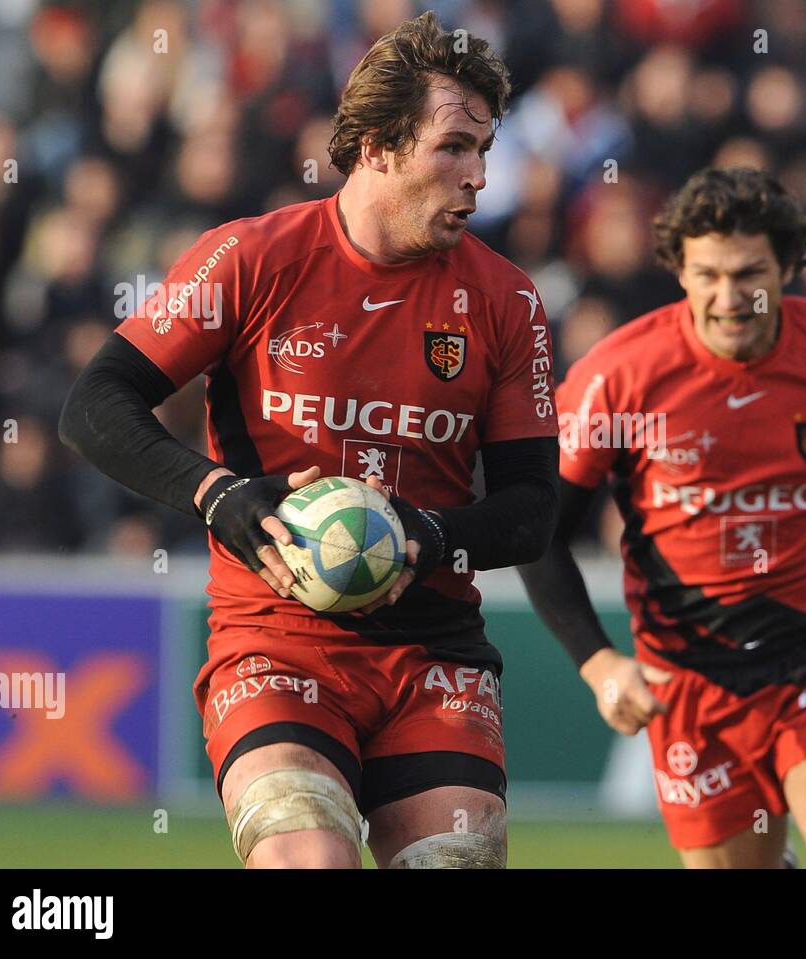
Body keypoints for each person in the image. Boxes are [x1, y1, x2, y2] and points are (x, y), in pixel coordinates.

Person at [59, 12, 558, 869]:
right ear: (374, 146)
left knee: (455, 861)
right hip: (274, 636)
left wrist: (429, 534)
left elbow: (531, 511)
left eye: (486, 148)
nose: (480, 176)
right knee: (309, 861)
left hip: (432, 649)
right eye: (453, 148)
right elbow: (96, 404)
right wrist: (218, 494)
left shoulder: (508, 303)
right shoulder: (252, 258)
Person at [519, 167, 806, 868]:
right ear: (678, 269)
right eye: (707, 274)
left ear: (791, 265)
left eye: (750, 274)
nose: (729, 297)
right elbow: (539, 532)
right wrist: (598, 663)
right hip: (688, 675)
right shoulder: (616, 375)